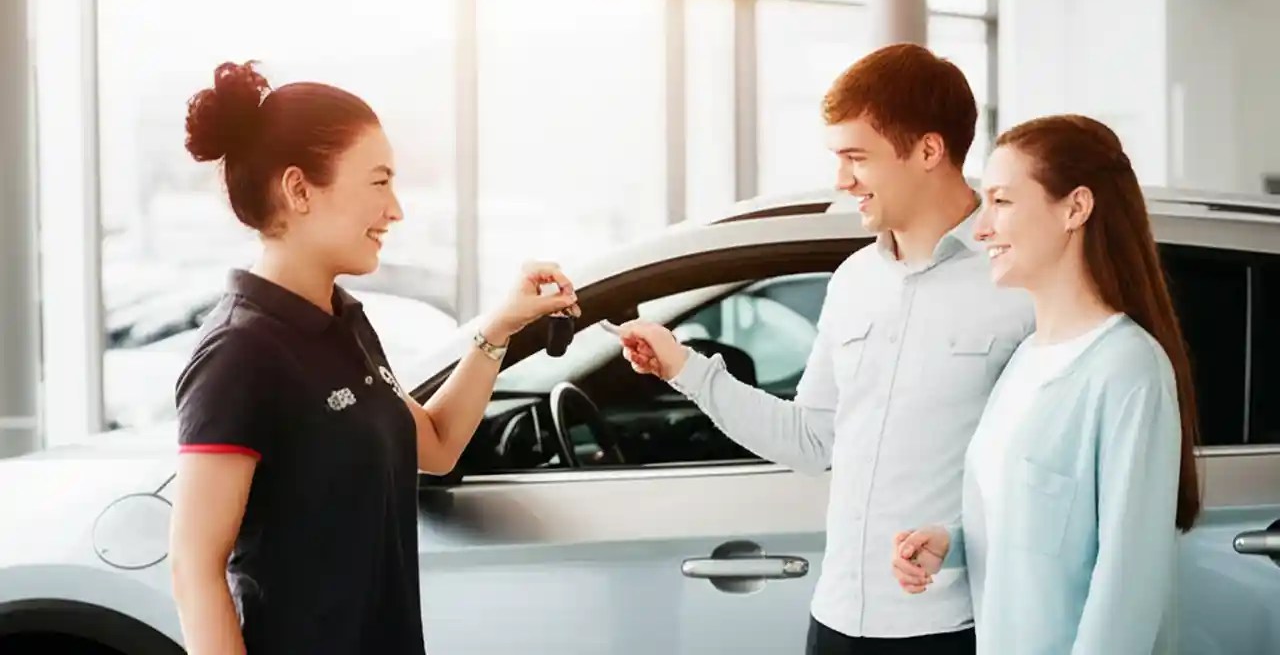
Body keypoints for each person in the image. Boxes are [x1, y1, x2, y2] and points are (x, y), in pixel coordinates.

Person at [617, 43, 1035, 654]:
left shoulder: (1017, 282)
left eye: (856, 157)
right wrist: (684, 367)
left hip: (955, 628)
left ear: (927, 150)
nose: (841, 181)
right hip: (837, 620)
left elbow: (1041, 481)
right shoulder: (853, 281)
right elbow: (813, 442)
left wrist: (956, 541)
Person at [167, 61, 579, 655]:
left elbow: (435, 445)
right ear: (300, 190)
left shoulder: (344, 321)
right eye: (379, 182)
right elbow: (193, 570)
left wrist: (499, 329)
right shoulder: (239, 352)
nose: (396, 211)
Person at [890, 115, 1201, 654]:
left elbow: (1127, 591)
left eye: (1002, 202)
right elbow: (1042, 530)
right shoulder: (1026, 361)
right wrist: (952, 543)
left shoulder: (1128, 371)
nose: (981, 228)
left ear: (1076, 208)